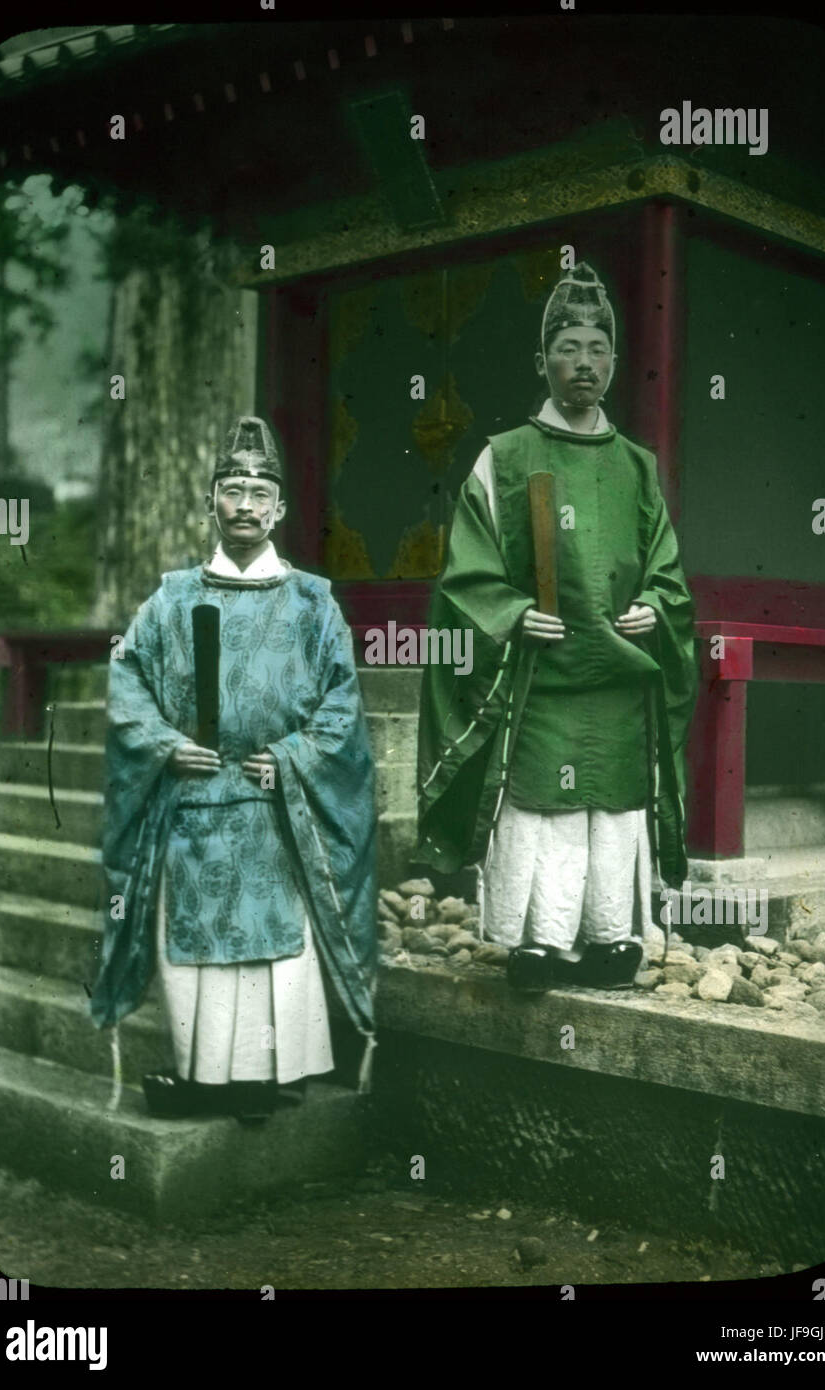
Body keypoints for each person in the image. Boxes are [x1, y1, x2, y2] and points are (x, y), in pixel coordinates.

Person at [417, 263, 698, 992]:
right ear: (542, 361)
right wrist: (511, 614)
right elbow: (467, 575)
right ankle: (535, 942)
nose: (584, 363)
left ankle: (610, 938)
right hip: (541, 675)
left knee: (612, 807)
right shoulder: (504, 456)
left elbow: (666, 568)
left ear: (614, 362)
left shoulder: (637, 466)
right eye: (568, 348)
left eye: (597, 349)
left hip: (619, 674)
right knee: (540, 806)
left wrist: (657, 605)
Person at [90, 415, 377, 1119]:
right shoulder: (170, 599)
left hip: (275, 802)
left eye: (259, 493)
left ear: (279, 509)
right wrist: (164, 744)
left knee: (272, 952)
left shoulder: (312, 601)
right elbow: (127, 684)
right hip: (191, 802)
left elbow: (341, 704)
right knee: (200, 954)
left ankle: (269, 1074)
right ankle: (204, 1075)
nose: (245, 505)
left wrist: (291, 757)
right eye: (232, 490)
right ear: (210, 501)